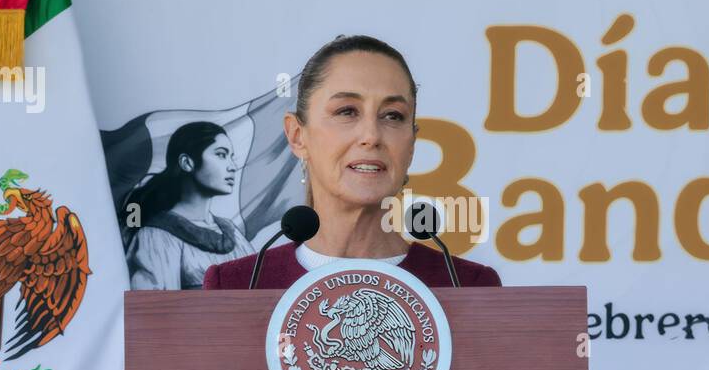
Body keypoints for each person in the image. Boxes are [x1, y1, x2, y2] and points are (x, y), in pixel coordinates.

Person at [203, 34, 502, 290]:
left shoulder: (468, 285)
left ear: (411, 145)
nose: (371, 136)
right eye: (347, 111)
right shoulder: (237, 285)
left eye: (393, 115)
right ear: (297, 136)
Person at [123, 120, 255, 289]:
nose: (233, 166)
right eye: (221, 154)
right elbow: (156, 310)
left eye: (231, 157)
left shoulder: (231, 232)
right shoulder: (157, 236)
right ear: (187, 162)